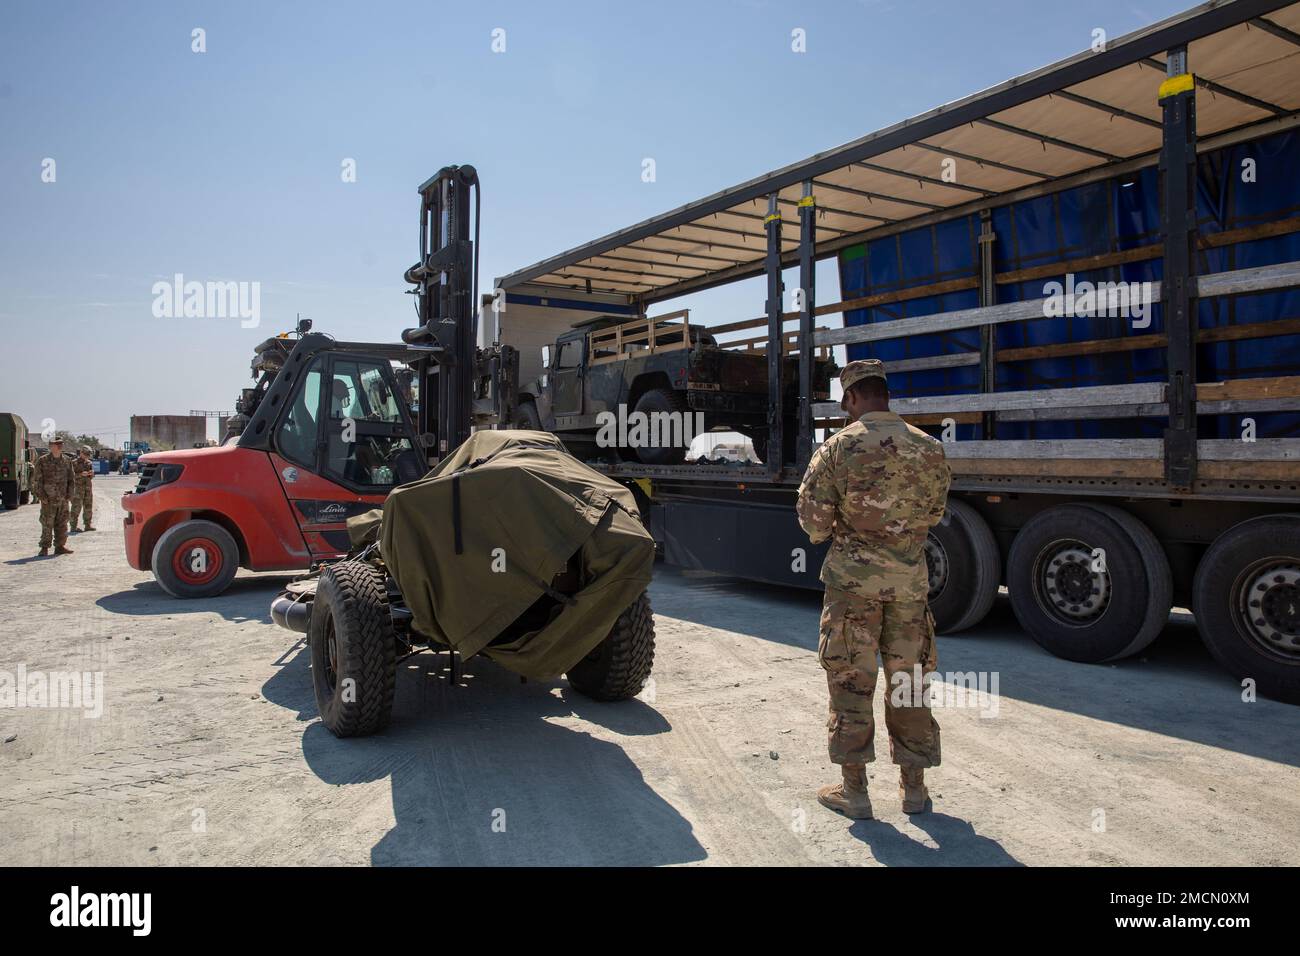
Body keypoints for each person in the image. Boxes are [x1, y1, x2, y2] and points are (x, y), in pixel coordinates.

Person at [796, 359, 950, 819]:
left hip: (852, 591)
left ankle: (855, 792)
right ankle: (915, 791)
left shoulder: (837, 449)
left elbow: (814, 525)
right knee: (910, 684)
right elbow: (934, 514)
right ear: (885, 394)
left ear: (850, 398)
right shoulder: (929, 448)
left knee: (850, 682)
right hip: (909, 589)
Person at [33, 437, 76, 557]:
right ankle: (44, 547)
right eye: (56, 444)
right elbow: (37, 481)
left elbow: (71, 479)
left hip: (63, 498)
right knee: (47, 523)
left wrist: (70, 494)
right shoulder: (43, 460)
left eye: (60, 444)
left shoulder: (67, 460)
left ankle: (60, 546)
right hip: (49, 499)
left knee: (62, 523)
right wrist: (41, 496)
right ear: (51, 446)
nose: (59, 446)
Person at [70, 445, 96, 532]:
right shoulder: (74, 463)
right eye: (85, 454)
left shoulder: (89, 463)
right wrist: (80, 475)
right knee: (76, 507)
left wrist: (91, 474)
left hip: (88, 488)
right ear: (81, 453)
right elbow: (70, 476)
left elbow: (91, 477)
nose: (86, 456)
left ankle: (87, 525)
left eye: (88, 455)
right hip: (78, 489)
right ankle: (73, 527)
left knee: (88, 507)